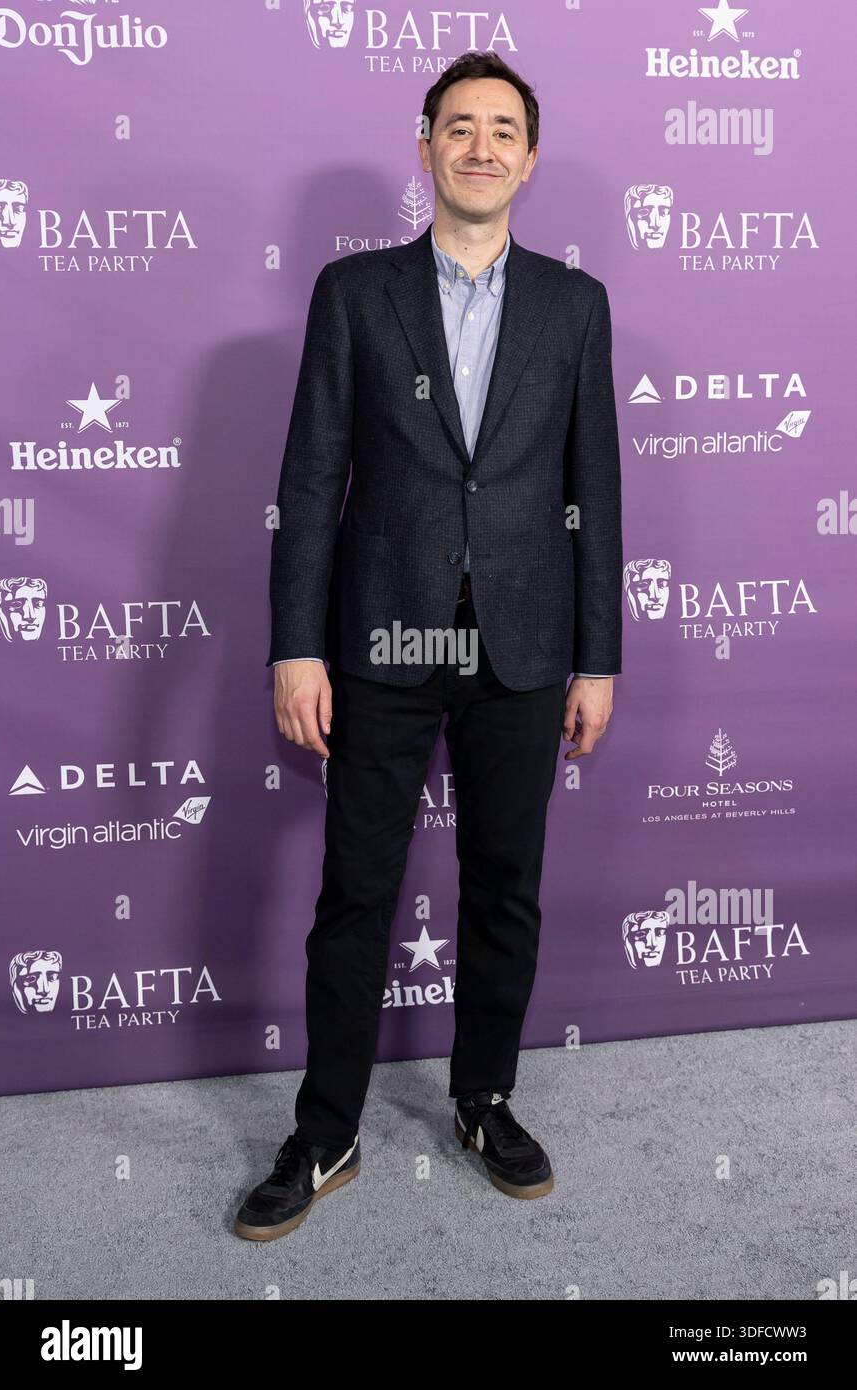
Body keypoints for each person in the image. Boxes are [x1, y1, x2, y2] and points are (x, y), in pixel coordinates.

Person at [235, 49, 622, 1241]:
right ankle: (327, 1127)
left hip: (521, 642)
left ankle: (484, 1097)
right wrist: (295, 644)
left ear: (529, 156)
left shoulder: (573, 303)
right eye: (459, 126)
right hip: (379, 637)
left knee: (505, 888)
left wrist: (596, 656)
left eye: (503, 129)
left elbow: (592, 490)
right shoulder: (353, 295)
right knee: (355, 893)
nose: (480, 146)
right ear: (425, 147)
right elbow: (310, 480)